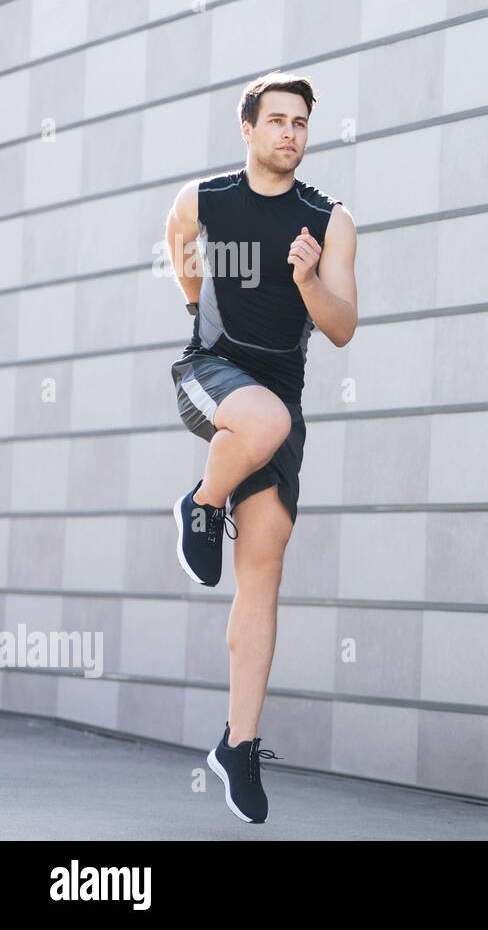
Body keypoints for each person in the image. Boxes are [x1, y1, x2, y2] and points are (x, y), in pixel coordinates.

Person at [163, 71, 357, 823]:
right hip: (211, 375)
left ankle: (237, 743)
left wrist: (308, 280)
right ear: (247, 129)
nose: (288, 133)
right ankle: (202, 502)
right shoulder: (206, 200)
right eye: (275, 120)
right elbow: (176, 237)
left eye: (299, 123)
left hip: (283, 396)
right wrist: (192, 300)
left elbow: (341, 326)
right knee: (264, 422)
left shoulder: (329, 220)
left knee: (265, 573)